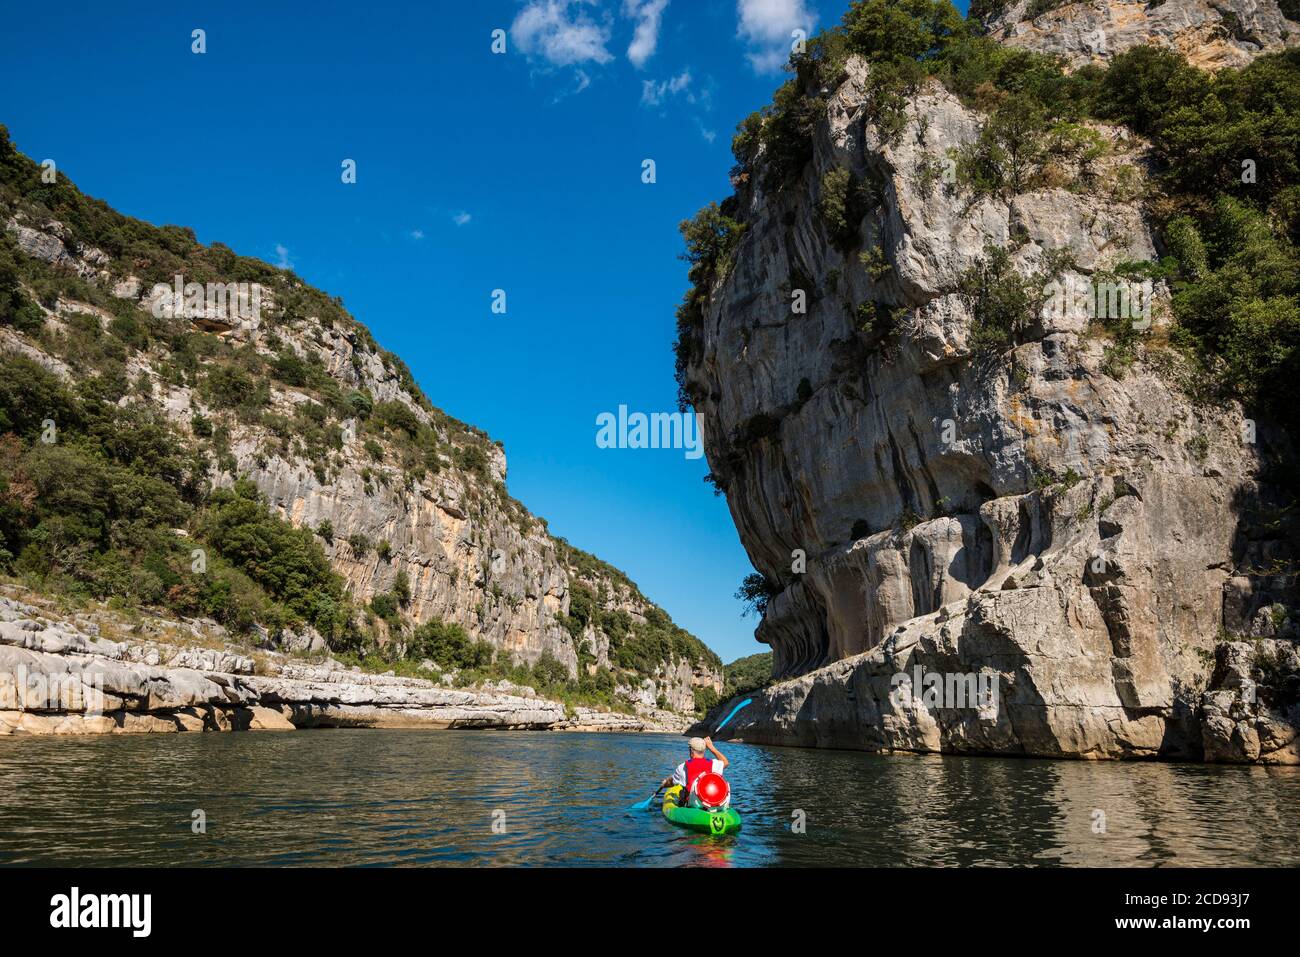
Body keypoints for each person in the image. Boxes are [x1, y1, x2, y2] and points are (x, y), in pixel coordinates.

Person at [661, 736, 730, 809]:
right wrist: (711, 747)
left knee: (682, 793)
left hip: (694, 804)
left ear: (691, 750)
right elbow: (725, 762)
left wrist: (664, 784)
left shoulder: (683, 767)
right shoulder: (713, 764)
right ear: (704, 750)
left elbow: (671, 782)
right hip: (711, 804)